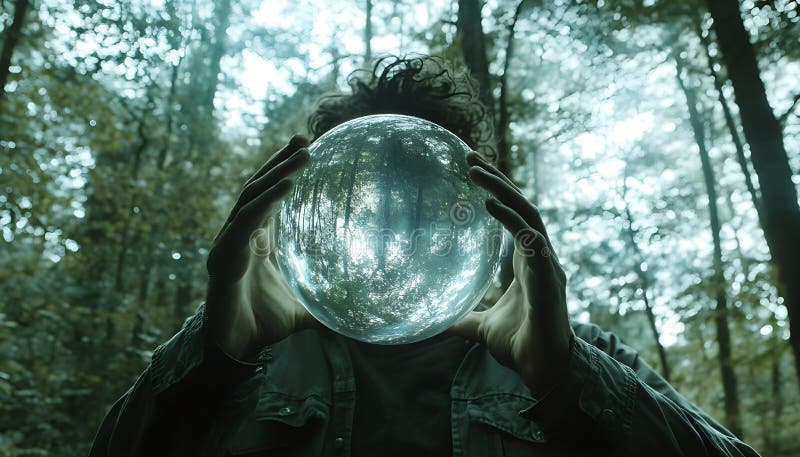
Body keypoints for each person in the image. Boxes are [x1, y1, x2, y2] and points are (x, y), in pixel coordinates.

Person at [89, 56, 760, 457]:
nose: (396, 220)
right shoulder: (240, 353)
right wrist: (211, 360)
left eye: (422, 192)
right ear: (321, 208)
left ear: (475, 208)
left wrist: (567, 376)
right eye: (369, 199)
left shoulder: (567, 355)